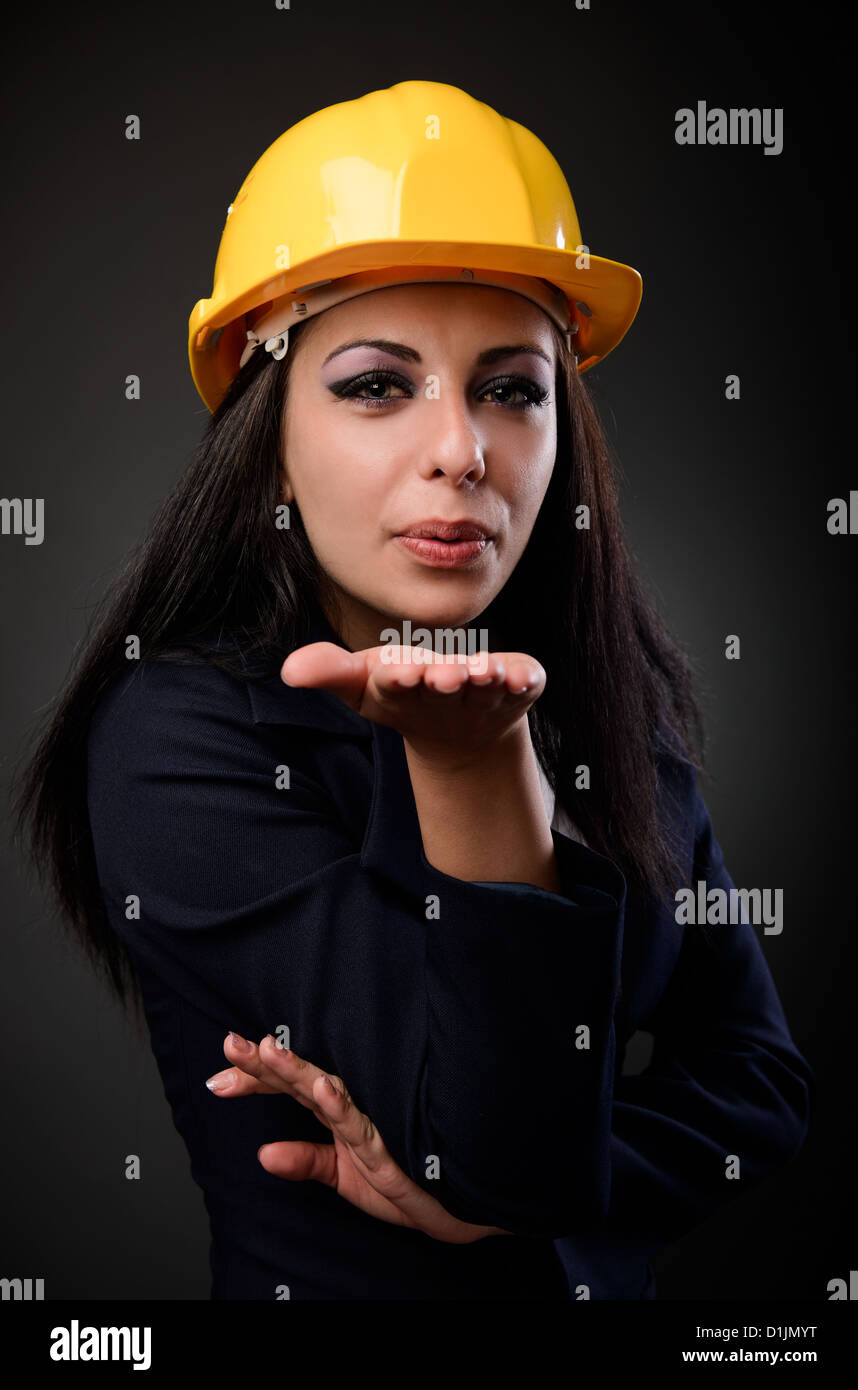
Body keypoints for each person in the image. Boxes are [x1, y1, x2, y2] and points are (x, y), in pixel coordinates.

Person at [12, 79, 813, 1301]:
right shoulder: (177, 737)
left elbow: (759, 1084)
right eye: (379, 385)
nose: (462, 447)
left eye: (511, 388)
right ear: (267, 428)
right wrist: (472, 764)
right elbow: (488, 1146)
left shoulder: (612, 709)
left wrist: (535, 1194)